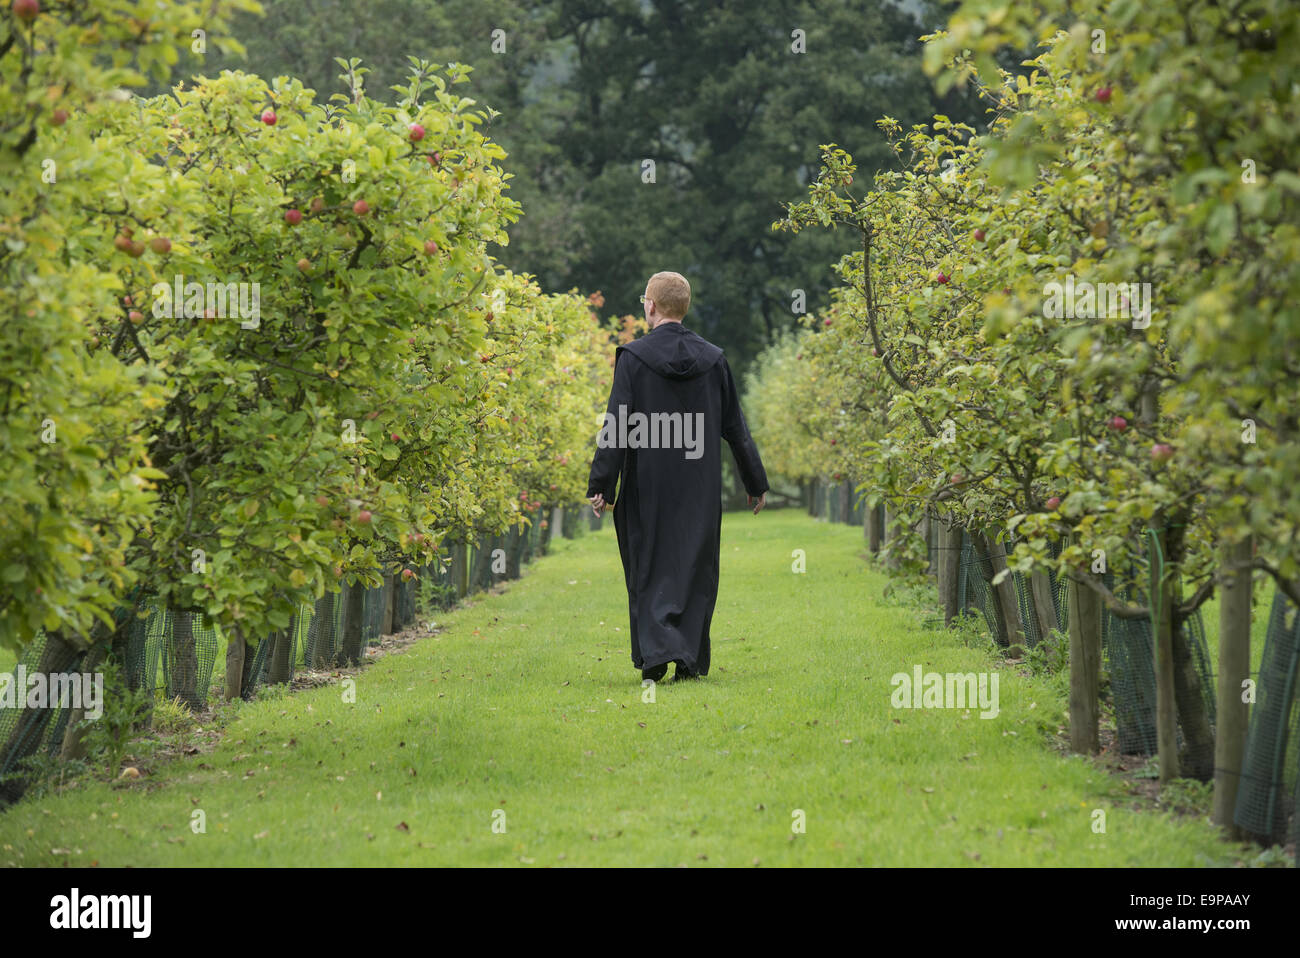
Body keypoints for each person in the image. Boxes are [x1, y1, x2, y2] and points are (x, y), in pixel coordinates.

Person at [586, 271, 768, 684]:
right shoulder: (715, 360)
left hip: (646, 486)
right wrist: (754, 481)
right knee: (692, 565)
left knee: (648, 563)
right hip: (699, 487)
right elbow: (735, 427)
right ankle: (687, 658)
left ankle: (654, 658)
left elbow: (616, 427)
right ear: (683, 307)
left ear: (650, 305)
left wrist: (601, 484)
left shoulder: (632, 359)